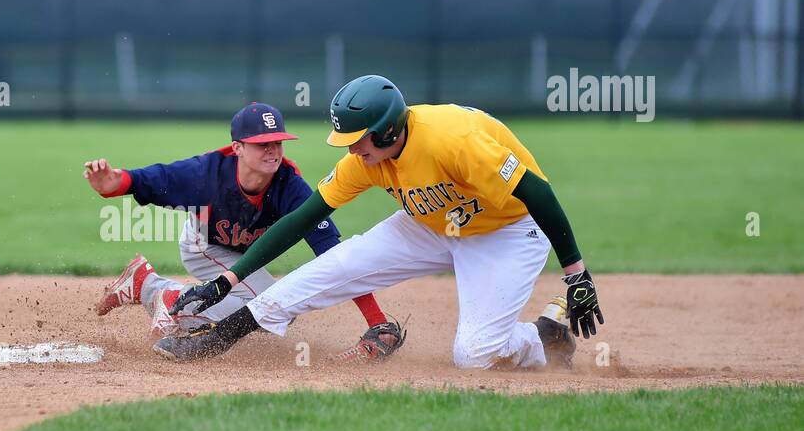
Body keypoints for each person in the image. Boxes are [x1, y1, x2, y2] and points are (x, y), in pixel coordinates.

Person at [154, 76, 603, 369]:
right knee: (337, 265)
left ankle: (544, 337)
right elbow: (300, 220)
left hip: (506, 231)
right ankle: (219, 336)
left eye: (358, 139)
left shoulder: (454, 140)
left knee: (473, 357)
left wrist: (576, 275)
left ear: (388, 130)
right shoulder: (365, 161)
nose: (352, 150)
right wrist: (228, 280)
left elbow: (538, 192)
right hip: (431, 223)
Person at [85, 101, 405, 361]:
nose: (272, 151)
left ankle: (148, 285)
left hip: (241, 255)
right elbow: (156, 179)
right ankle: (163, 297)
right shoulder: (207, 172)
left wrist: (375, 319)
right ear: (237, 147)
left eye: (277, 142)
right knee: (268, 303)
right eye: (262, 144)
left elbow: (330, 250)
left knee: (277, 307)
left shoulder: (289, 185)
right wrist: (115, 184)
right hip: (204, 246)